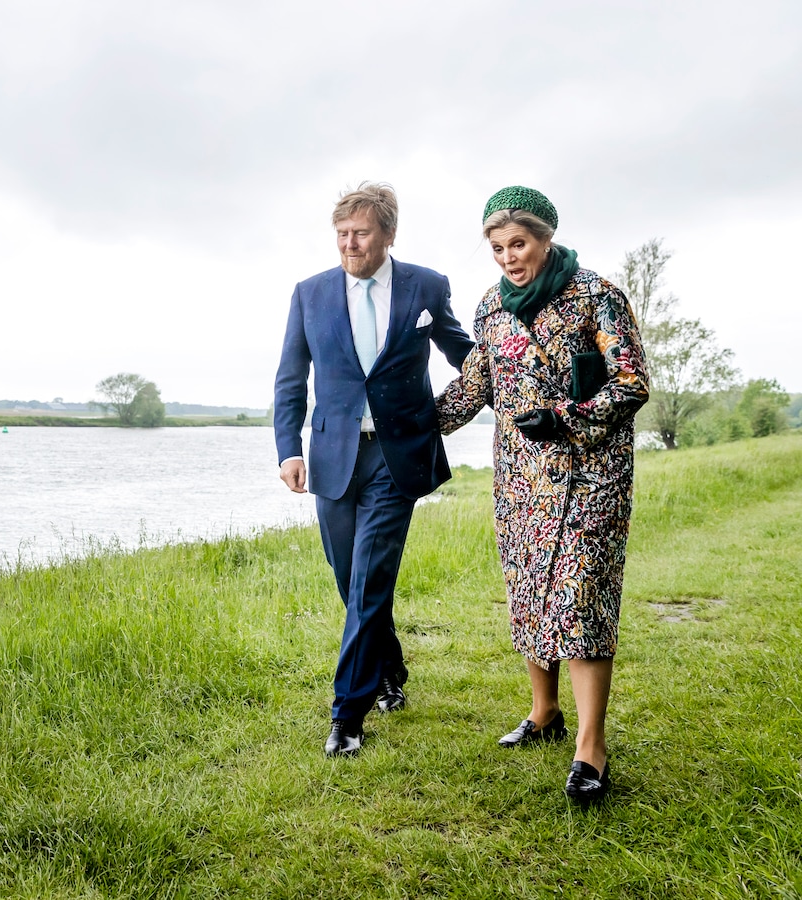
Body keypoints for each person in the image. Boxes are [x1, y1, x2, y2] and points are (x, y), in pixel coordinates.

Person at [435, 186, 649, 804]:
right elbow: (473, 386)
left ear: (546, 237)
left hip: (592, 474)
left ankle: (591, 747)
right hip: (521, 478)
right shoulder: (490, 311)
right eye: (498, 248)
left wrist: (566, 418)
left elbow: (631, 383)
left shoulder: (596, 294)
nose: (508, 257)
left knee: (580, 601)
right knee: (530, 593)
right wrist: (403, 425)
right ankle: (543, 712)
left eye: (518, 244)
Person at [274, 182, 474, 757]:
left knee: (368, 581)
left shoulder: (427, 287)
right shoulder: (309, 294)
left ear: (388, 234)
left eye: (360, 233)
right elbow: (291, 379)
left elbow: (461, 350)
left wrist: (511, 372)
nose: (349, 244)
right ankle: (387, 665)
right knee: (347, 579)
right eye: (341, 234)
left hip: (395, 457)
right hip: (333, 458)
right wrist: (289, 449)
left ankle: (347, 715)